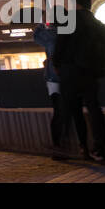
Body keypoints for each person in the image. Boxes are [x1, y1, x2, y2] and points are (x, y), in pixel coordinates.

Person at [53, 0, 105, 162]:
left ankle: (80, 147)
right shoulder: (100, 24)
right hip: (91, 73)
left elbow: (60, 45)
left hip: (70, 71)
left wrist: (57, 64)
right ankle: (100, 148)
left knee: (73, 110)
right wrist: (103, 69)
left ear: (76, 4)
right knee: (94, 108)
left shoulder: (70, 19)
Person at [33, 21, 66, 157]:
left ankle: (57, 145)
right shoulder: (70, 33)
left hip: (54, 79)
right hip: (71, 76)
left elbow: (36, 35)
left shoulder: (51, 35)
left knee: (58, 111)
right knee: (72, 111)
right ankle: (82, 146)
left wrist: (41, 24)